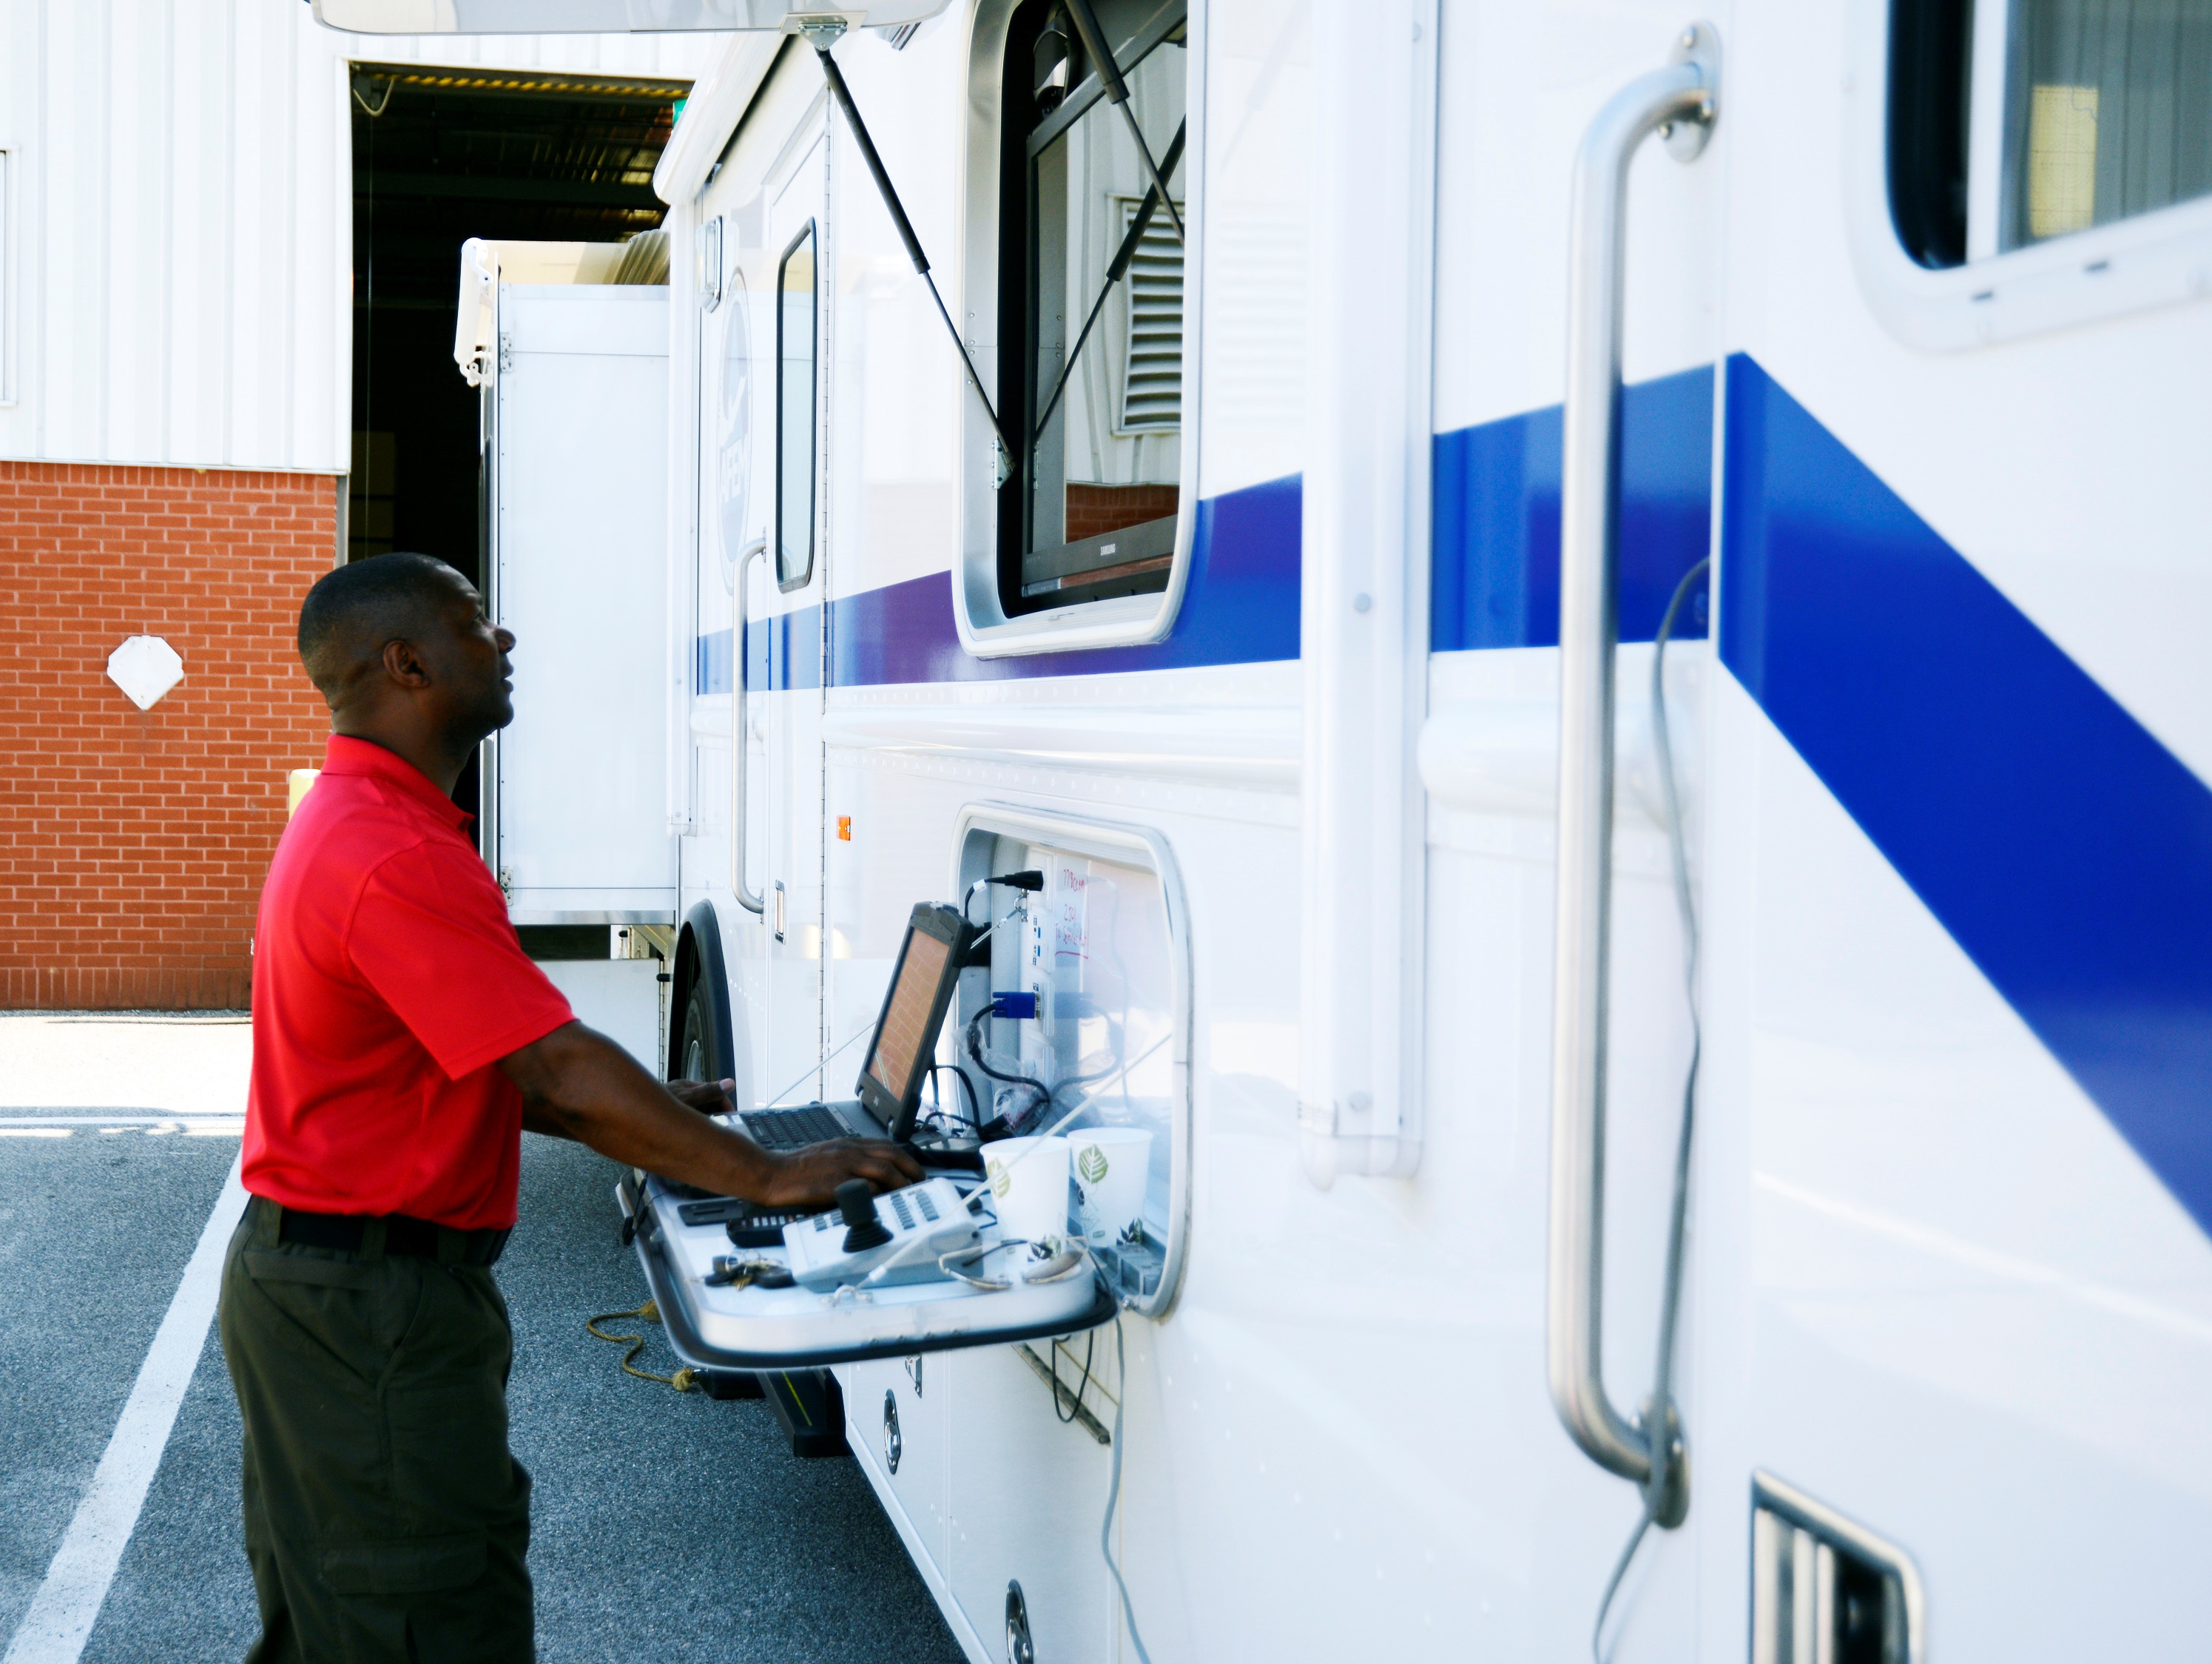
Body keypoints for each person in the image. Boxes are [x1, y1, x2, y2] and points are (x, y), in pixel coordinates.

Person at [219, 552, 921, 1664]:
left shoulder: (366, 818)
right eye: (475, 623)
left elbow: (463, 1062)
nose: (504, 642)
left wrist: (655, 1109)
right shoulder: (390, 849)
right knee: (424, 1621)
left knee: (346, 1621)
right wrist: (769, 1173)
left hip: (332, 1293)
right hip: (369, 1310)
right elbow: (550, 1066)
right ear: (406, 663)